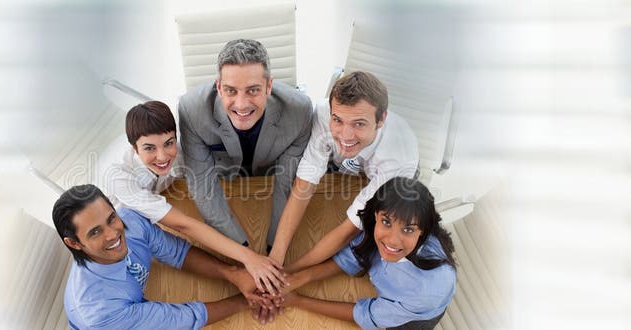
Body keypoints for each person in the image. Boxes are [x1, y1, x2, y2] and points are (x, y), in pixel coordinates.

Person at [98, 100, 286, 295]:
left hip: (159, 191)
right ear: (135, 149)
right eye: (149, 148)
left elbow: (211, 192)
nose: (162, 156)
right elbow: (183, 225)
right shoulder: (118, 176)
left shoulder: (181, 150)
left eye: (168, 143)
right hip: (120, 212)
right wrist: (250, 258)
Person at [53, 184, 272, 330]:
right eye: (95, 232)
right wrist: (247, 301)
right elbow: (182, 319)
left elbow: (176, 252)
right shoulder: (99, 314)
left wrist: (234, 274)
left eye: (111, 218)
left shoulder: (130, 219)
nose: (113, 234)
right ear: (74, 243)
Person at [269, 71, 421, 269]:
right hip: (345, 170)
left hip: (388, 177)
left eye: (359, 123)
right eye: (338, 120)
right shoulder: (324, 112)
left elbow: (350, 228)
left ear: (381, 119)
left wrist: (289, 271)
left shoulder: (398, 162)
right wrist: (275, 260)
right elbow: (304, 184)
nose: (346, 136)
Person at [264, 177, 456, 330]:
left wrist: (297, 300)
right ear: (376, 215)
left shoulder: (427, 291)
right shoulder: (375, 225)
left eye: (408, 230)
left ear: (423, 230)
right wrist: (298, 278)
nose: (392, 240)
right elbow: (352, 257)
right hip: (390, 289)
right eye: (387, 222)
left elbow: (366, 315)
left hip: (410, 321)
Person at [178, 39, 314, 251]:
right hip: (227, 188)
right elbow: (204, 187)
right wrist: (244, 252)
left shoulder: (299, 111)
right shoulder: (191, 110)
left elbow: (286, 185)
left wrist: (272, 249)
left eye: (252, 90)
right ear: (219, 88)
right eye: (231, 90)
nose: (241, 104)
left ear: (269, 86)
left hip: (269, 184)